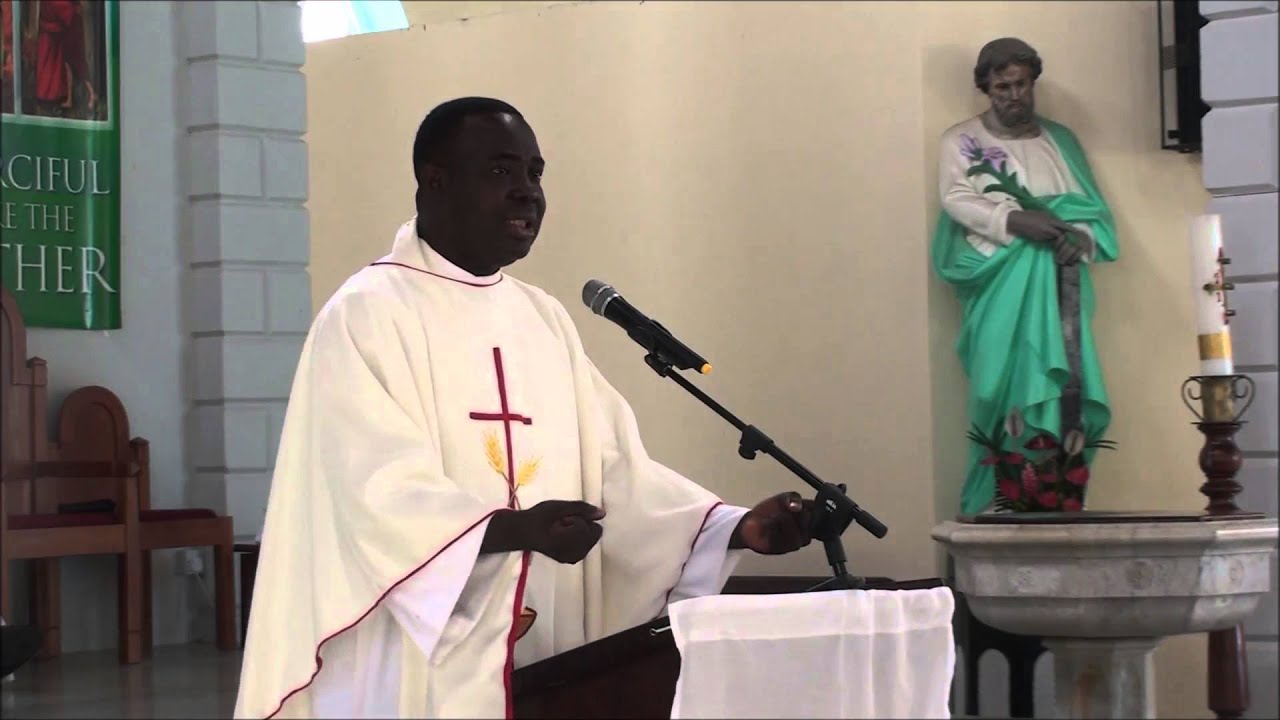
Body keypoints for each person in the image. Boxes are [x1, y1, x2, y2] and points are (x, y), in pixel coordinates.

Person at [234, 97, 816, 719]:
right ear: (435, 181)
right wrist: (512, 530)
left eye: (536, 174)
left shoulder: (543, 318)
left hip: (551, 649)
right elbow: (368, 490)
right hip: (419, 657)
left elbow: (614, 470)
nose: (527, 194)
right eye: (500, 172)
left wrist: (732, 528)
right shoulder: (369, 313)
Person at [931, 38, 1117, 515]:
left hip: (1060, 292)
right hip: (999, 282)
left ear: (1033, 82)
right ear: (985, 88)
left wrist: (1069, 233)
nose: (1013, 95)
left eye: (1021, 84)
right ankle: (1001, 493)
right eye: (1001, 87)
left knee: (1064, 389)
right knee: (998, 385)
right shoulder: (962, 141)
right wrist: (1017, 222)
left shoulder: (1061, 141)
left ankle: (1054, 487)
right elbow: (957, 198)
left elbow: (1092, 214)